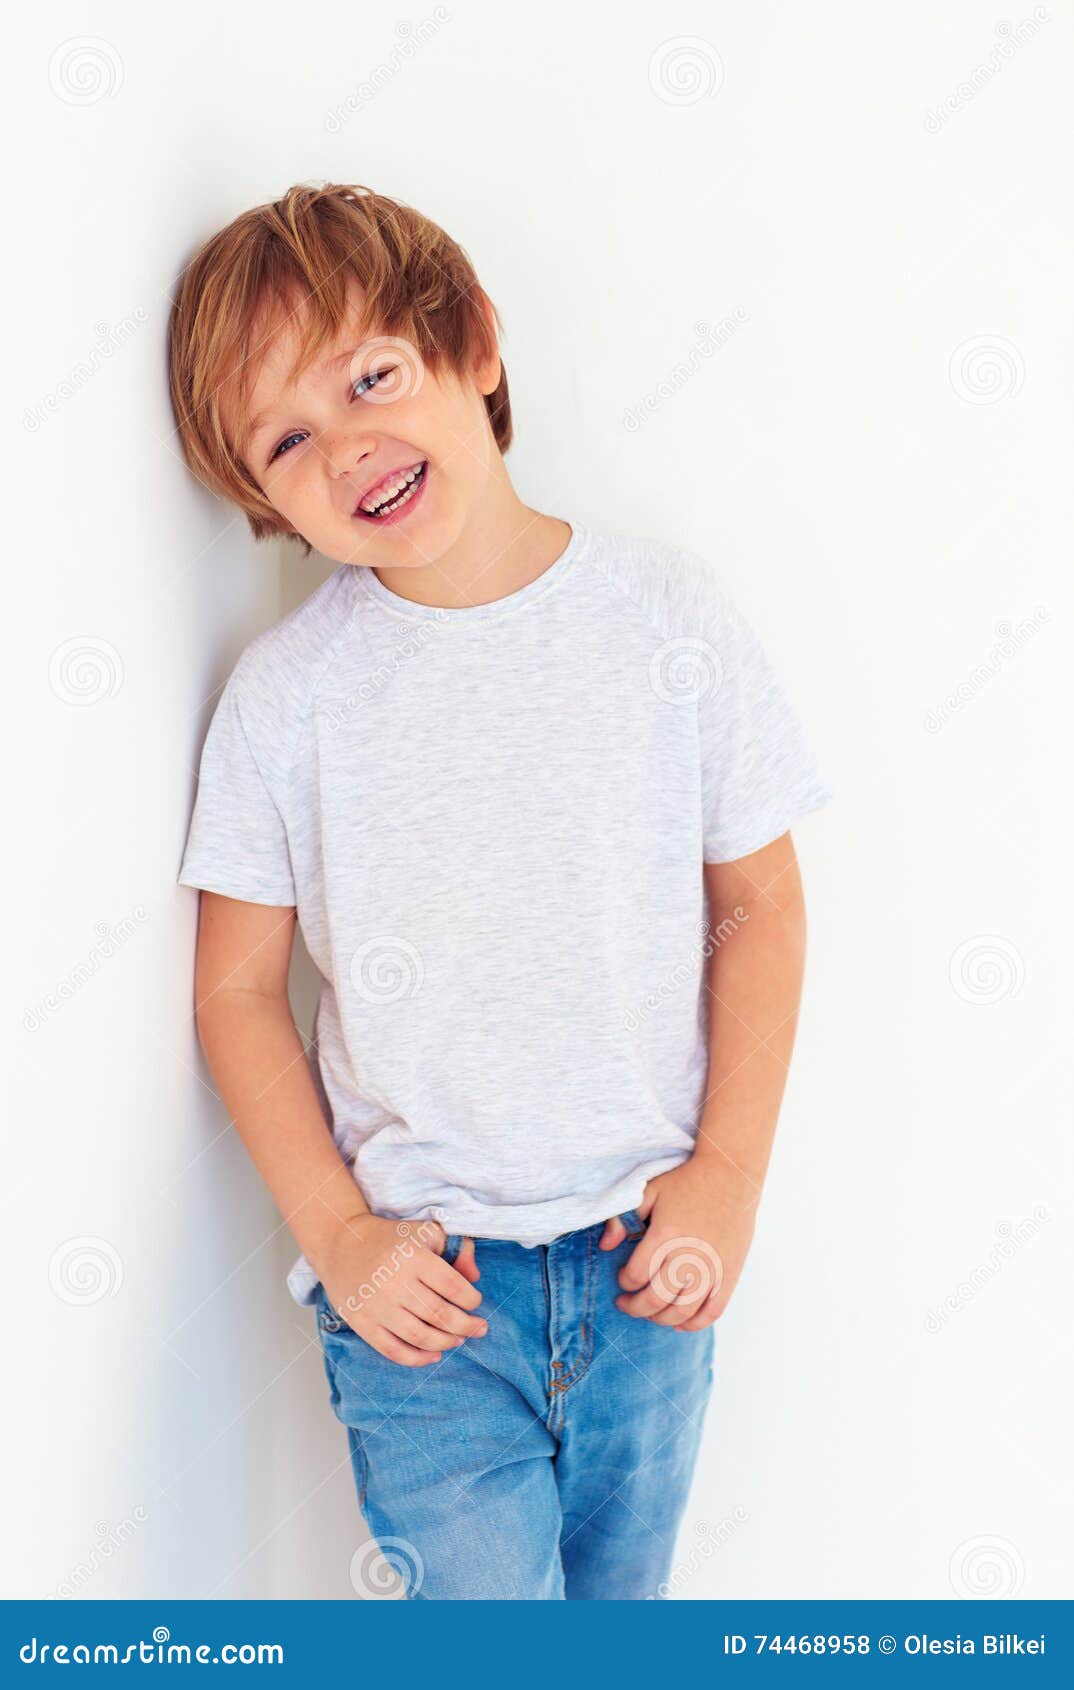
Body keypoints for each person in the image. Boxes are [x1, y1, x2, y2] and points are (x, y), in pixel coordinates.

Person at [169, 180, 833, 1600]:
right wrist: (338, 1232)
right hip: (425, 1304)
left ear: (470, 343)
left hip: (646, 1266)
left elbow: (761, 909)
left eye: (370, 377)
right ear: (255, 494)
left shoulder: (665, 617)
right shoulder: (287, 698)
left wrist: (726, 1175)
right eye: (289, 438)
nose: (348, 446)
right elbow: (233, 989)